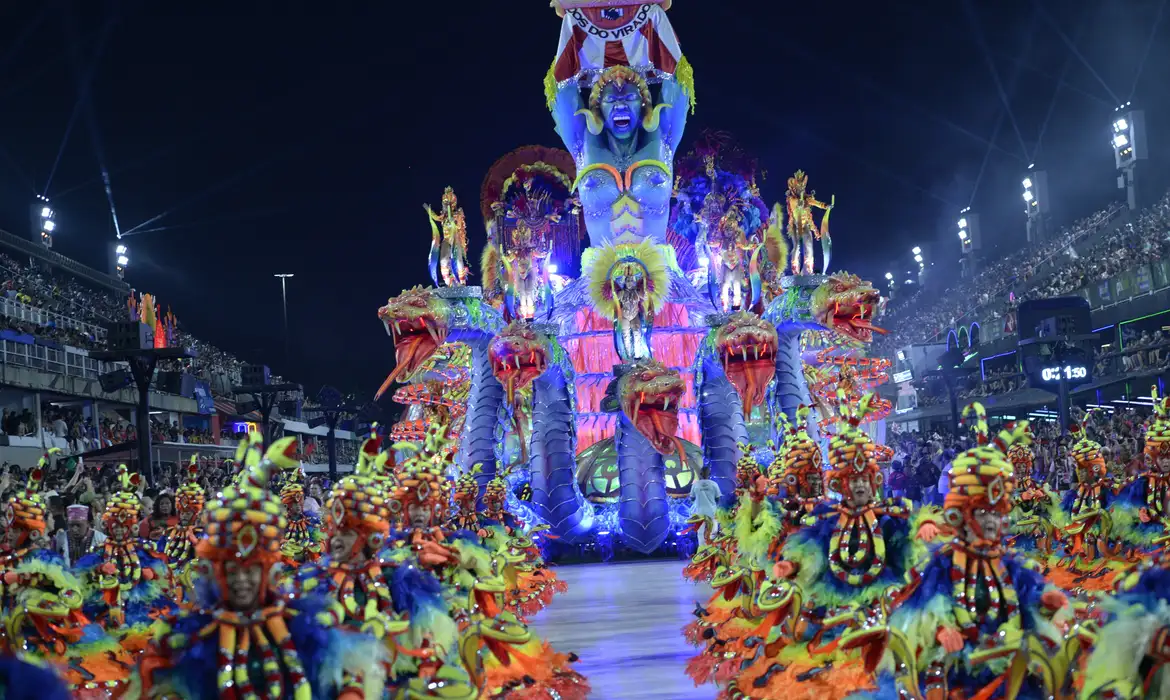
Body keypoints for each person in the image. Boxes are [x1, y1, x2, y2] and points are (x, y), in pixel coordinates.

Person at [136, 434, 385, 699]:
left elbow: (341, 681)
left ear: (269, 572)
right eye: (232, 570)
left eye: (251, 570)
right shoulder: (187, 638)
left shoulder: (302, 627)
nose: (242, 580)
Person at [690, 466, 721, 544]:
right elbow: (718, 499)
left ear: (700, 474)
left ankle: (701, 552)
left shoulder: (695, 485)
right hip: (712, 512)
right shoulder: (714, 484)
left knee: (700, 534)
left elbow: (692, 498)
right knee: (713, 533)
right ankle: (711, 551)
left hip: (700, 513)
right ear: (710, 474)